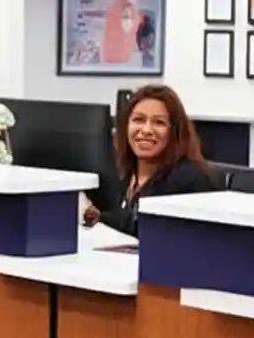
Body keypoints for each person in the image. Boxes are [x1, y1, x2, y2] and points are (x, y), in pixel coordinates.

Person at [82, 84, 217, 236]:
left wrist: (100, 218)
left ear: (174, 132)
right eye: (138, 120)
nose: (146, 130)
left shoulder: (187, 179)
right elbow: (125, 221)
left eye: (159, 122)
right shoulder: (126, 174)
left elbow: (149, 229)